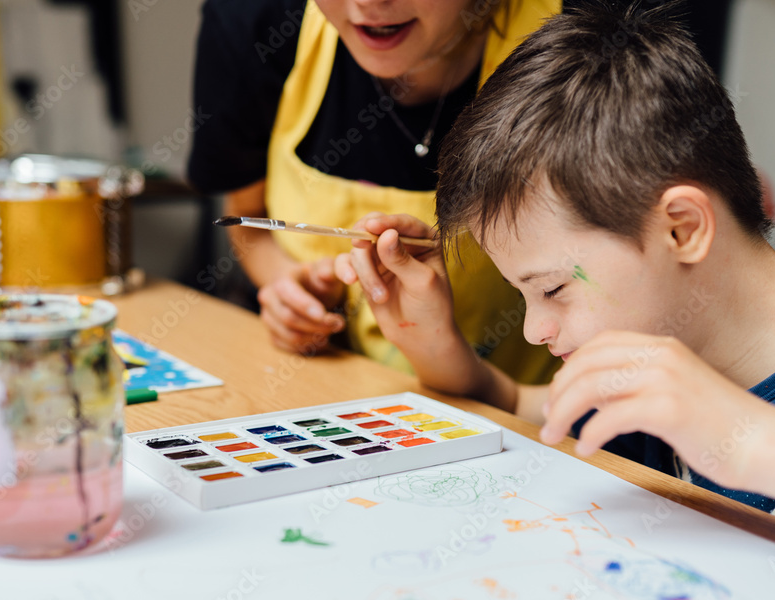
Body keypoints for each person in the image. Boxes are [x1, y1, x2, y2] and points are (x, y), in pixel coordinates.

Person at [333, 2, 775, 566]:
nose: (535, 330)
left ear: (682, 229)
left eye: (554, 289)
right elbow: (515, 404)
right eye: (524, 296)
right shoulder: (642, 379)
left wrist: (741, 440)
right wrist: (435, 345)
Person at [186, 0, 571, 384]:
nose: (368, 3)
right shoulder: (254, 22)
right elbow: (247, 219)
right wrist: (288, 287)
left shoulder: (586, 28)